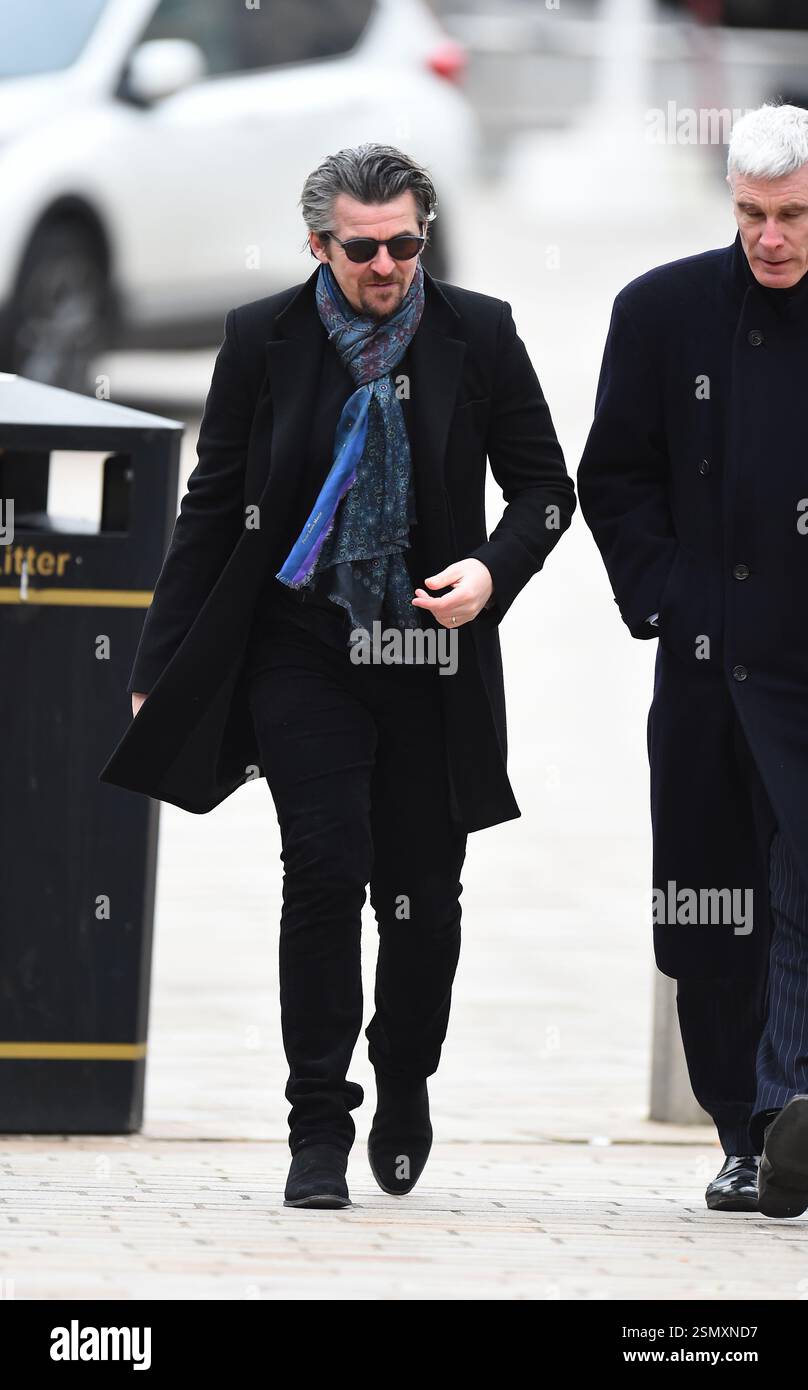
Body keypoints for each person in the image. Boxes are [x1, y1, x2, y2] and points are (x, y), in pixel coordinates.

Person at [99, 143, 575, 1209]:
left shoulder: (479, 332)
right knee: (322, 868)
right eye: (363, 248)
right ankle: (316, 1123)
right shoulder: (260, 337)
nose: (389, 265)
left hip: (426, 648)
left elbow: (547, 490)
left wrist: (489, 574)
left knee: (424, 900)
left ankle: (403, 1071)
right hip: (298, 641)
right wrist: (157, 660)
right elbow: (214, 504)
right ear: (319, 243)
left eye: (407, 242)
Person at [578, 103, 808, 1218]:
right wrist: (674, 596)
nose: (771, 237)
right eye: (752, 214)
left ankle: (788, 1117)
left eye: (794, 215)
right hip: (709, 673)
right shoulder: (661, 311)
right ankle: (742, 1131)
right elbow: (613, 474)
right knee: (714, 907)